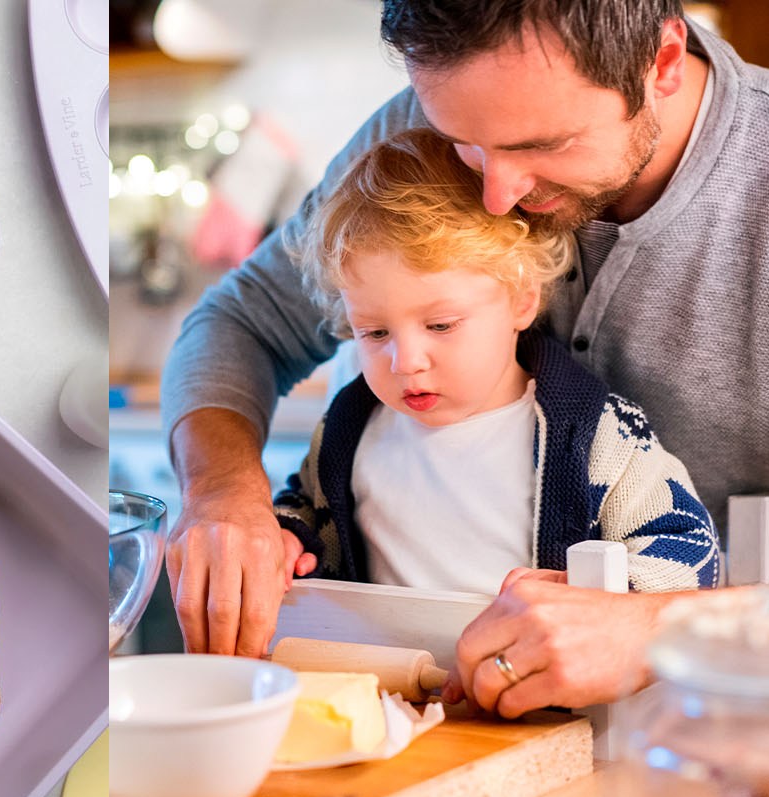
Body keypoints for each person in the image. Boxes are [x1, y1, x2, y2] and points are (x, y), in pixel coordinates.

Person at [160, 0, 769, 710]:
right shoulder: (416, 134)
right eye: (465, 145)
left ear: (662, 63)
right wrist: (220, 492)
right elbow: (239, 321)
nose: (496, 192)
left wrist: (661, 624)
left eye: (542, 144)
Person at [270, 128, 717, 600]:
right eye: (375, 333)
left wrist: (602, 598)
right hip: (386, 670)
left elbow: (690, 549)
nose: (406, 362)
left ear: (522, 301)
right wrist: (289, 539)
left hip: (539, 668)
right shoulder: (346, 428)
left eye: (441, 325)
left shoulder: (600, 435)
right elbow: (306, 511)